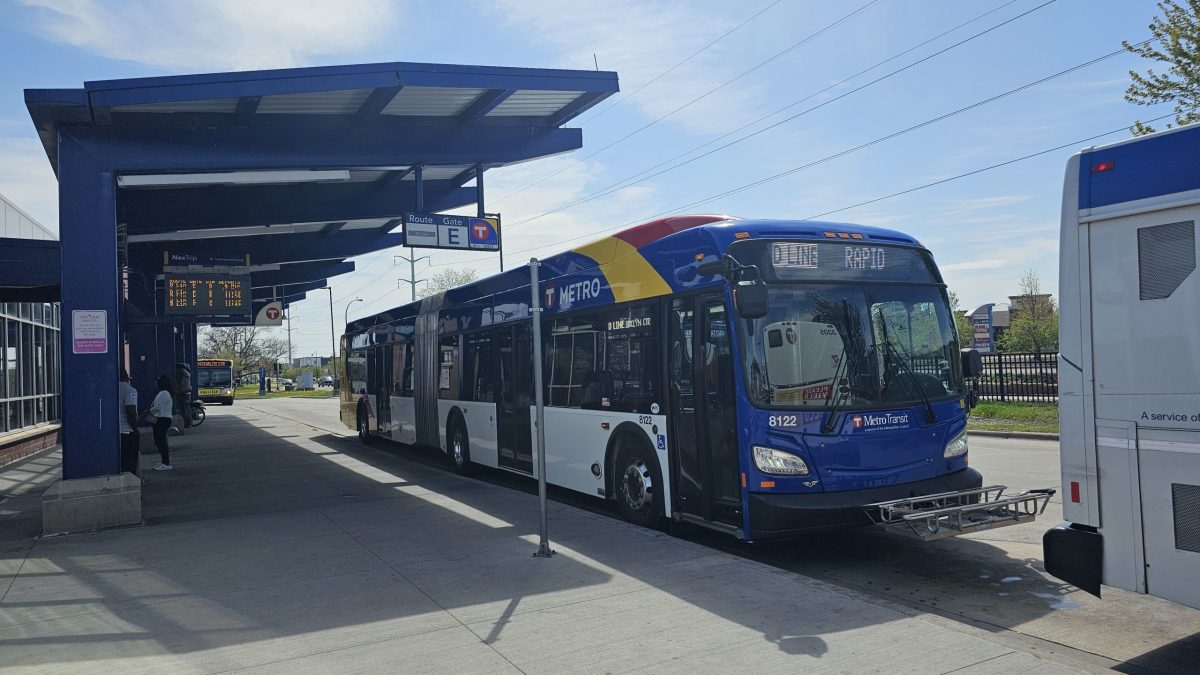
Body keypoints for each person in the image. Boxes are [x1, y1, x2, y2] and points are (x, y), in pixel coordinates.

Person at [148, 375, 174, 471]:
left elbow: (158, 407)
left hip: (162, 419)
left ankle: (166, 463)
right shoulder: (165, 393)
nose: (155, 384)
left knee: (160, 441)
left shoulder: (163, 393)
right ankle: (164, 461)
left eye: (157, 382)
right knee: (160, 440)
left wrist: (149, 411)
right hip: (163, 419)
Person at [119, 368, 140, 475]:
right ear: (126, 378)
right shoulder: (130, 390)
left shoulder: (110, 389)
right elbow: (131, 411)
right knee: (130, 459)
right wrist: (135, 428)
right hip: (127, 431)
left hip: (114, 432)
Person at [176, 363, 192, 429]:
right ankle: (188, 423)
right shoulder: (187, 373)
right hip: (187, 392)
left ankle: (184, 423)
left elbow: (179, 384)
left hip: (181, 393)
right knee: (187, 409)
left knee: (181, 409)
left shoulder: (180, 372)